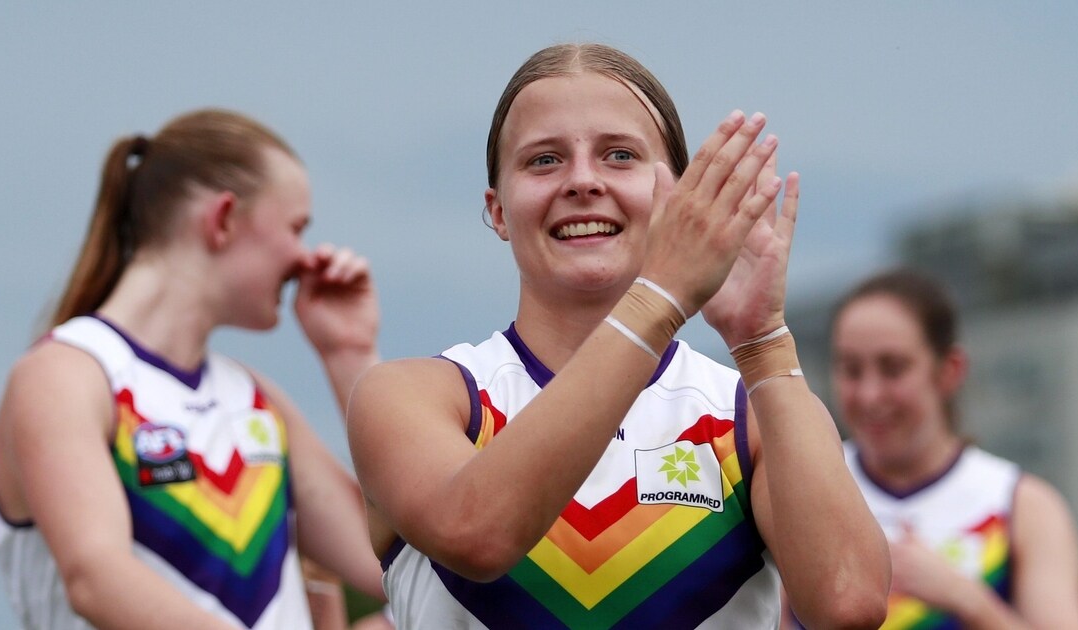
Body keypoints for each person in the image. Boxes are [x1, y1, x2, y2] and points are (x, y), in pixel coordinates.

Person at [346, 43, 891, 629]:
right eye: (544, 161)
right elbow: (478, 534)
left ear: (678, 197)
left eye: (620, 155)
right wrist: (660, 298)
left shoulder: (748, 415)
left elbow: (848, 605)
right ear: (498, 210)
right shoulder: (413, 395)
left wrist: (761, 340)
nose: (583, 180)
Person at [0, 108, 388, 629]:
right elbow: (96, 577)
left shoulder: (255, 398)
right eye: (296, 228)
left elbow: (393, 559)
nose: (303, 258)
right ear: (223, 219)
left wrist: (350, 354)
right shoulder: (64, 375)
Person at [822, 268, 1078, 629]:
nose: (870, 395)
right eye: (851, 370)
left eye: (893, 369)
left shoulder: (1021, 505)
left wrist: (966, 598)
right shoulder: (811, 487)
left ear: (950, 370)